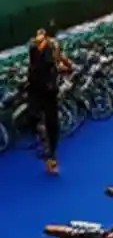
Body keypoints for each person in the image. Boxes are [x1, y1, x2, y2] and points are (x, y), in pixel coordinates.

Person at [28, 27, 73, 175]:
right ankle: (51, 159)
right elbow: (58, 60)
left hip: (35, 88)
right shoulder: (52, 45)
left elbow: (33, 66)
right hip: (49, 90)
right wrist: (69, 67)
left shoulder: (33, 46)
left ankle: (41, 137)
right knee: (52, 124)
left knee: (36, 117)